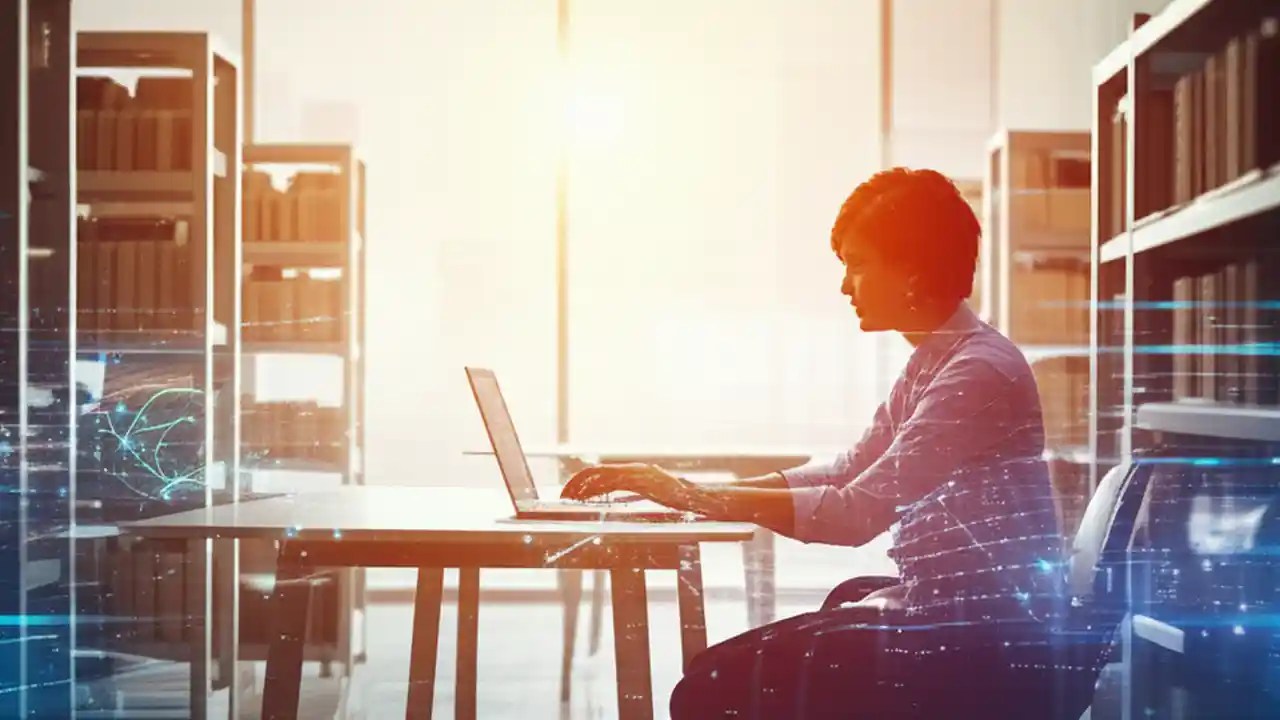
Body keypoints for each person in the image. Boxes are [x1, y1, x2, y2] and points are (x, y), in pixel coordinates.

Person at [560, 168, 1089, 718]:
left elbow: (855, 513)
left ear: (912, 269)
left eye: (857, 266)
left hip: (979, 646)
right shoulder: (940, 360)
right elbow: (850, 469)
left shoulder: (977, 371)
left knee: (706, 688)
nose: (844, 286)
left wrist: (693, 496)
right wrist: (694, 492)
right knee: (769, 648)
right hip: (957, 621)